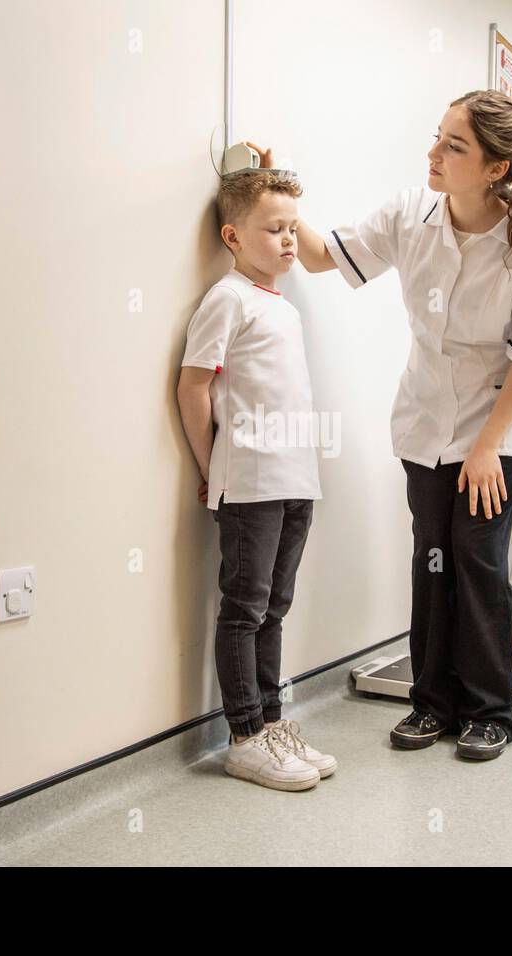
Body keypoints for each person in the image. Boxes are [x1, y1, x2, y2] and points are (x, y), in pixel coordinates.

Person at [254, 88, 512, 760]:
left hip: (503, 425)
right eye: (438, 136)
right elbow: (321, 258)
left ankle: (491, 711)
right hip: (427, 420)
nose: (432, 153)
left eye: (453, 145)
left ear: (494, 168)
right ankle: (433, 703)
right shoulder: (411, 212)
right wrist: (275, 188)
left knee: (478, 559)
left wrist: (487, 447)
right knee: (431, 558)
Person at [176, 169, 338, 791]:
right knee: (244, 609)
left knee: (275, 606)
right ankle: (244, 737)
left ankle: (272, 723)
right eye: (275, 229)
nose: (290, 241)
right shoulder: (228, 297)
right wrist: (206, 465)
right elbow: (193, 384)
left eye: (293, 228)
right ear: (233, 235)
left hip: (296, 478)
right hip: (248, 481)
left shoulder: (281, 305)